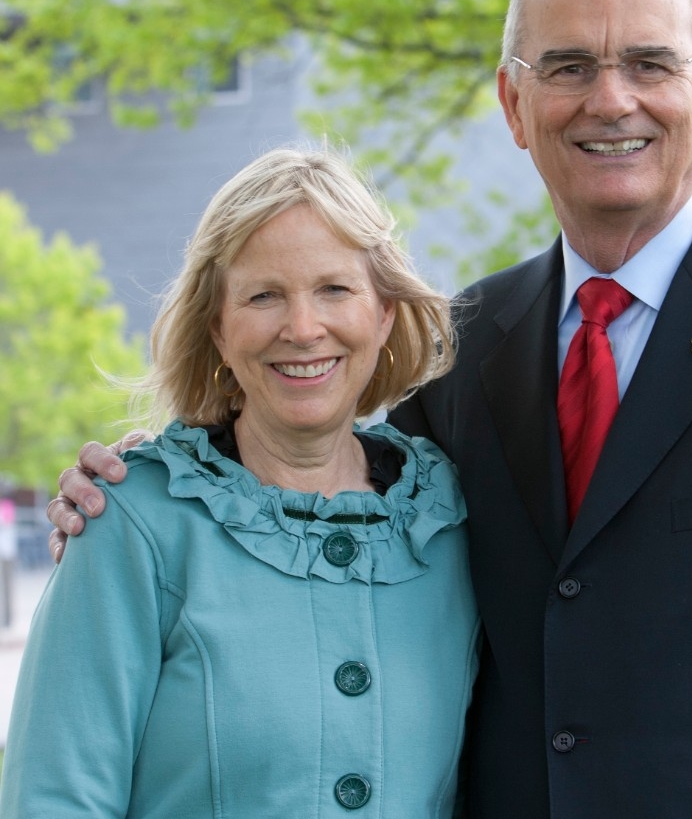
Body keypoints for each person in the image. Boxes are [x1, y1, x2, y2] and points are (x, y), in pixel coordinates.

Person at [48, 0, 692, 819]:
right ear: (512, 104)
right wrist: (146, 486)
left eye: (651, 64)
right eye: (569, 67)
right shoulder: (461, 352)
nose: (611, 99)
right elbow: (320, 481)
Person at [2, 146, 480, 818]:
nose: (303, 328)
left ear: (384, 314)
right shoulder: (134, 521)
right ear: (219, 330)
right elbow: (54, 798)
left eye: (334, 289)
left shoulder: (449, 519)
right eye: (263, 296)